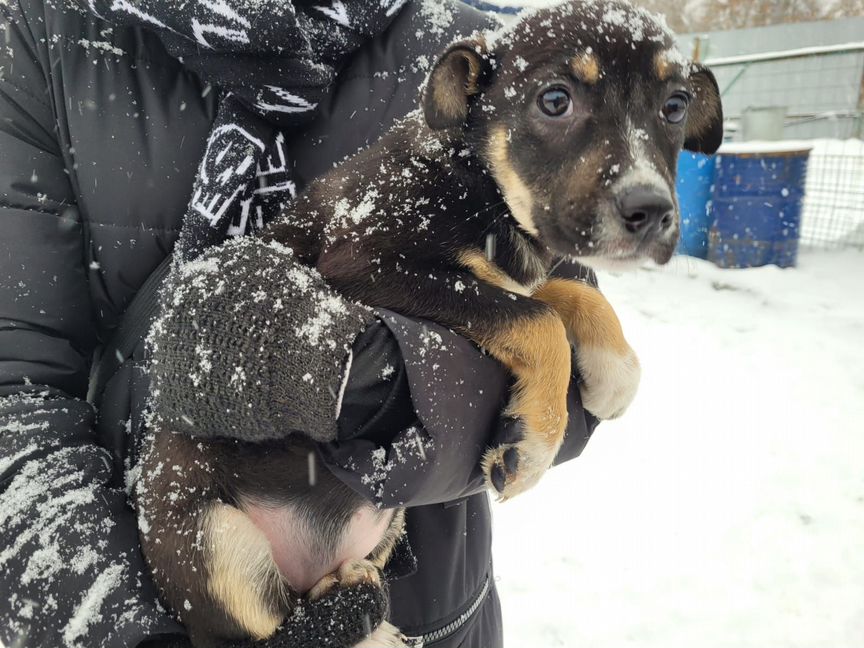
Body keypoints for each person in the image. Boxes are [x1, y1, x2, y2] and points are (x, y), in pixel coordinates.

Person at [0, 0, 599, 646]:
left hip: (430, 617)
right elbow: (16, 403)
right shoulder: (42, 38)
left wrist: (377, 389)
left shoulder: (458, 49)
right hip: (160, 571)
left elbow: (567, 385)